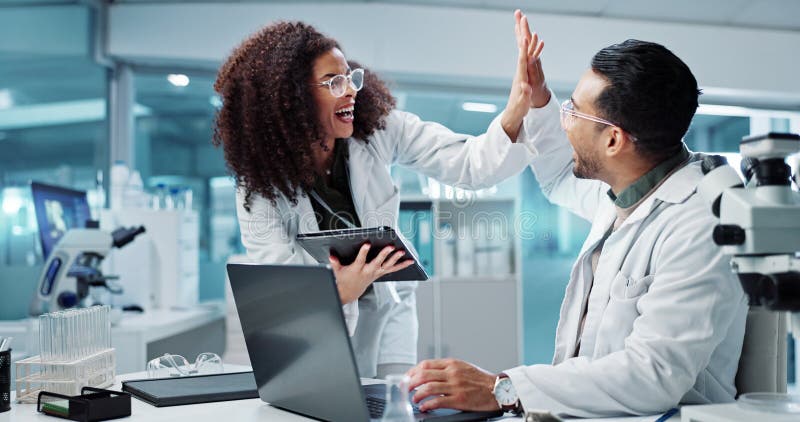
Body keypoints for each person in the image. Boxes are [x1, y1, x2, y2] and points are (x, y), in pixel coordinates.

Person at [406, 11, 748, 417]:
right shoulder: (626, 190)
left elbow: (653, 374)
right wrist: (539, 97)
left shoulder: (702, 224)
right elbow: (556, 175)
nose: (565, 123)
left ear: (614, 140)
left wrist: (503, 389)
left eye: (574, 112)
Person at [212, 20, 547, 378]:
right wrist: (339, 291)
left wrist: (516, 109)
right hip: (307, 343)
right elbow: (283, 296)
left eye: (350, 77)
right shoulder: (260, 188)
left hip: (387, 326)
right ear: (290, 98)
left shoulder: (376, 132)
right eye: (333, 82)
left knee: (390, 406)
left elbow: (468, 164)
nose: (351, 90)